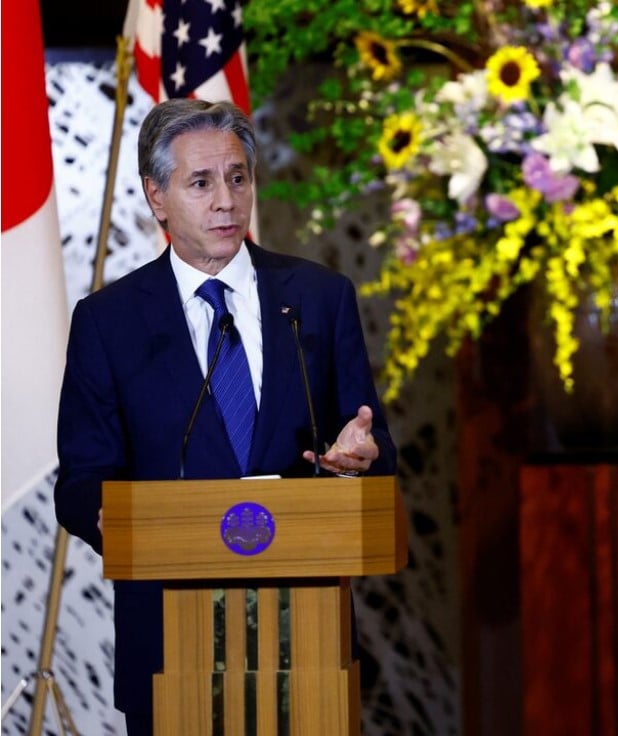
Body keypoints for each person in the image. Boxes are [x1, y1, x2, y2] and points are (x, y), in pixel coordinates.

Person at [53, 99, 397, 735]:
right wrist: (105, 511)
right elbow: (79, 480)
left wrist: (359, 463)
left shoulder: (319, 300)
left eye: (238, 178)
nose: (226, 201)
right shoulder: (109, 323)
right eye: (201, 183)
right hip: (169, 645)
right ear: (158, 198)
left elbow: (373, 452)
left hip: (307, 642)